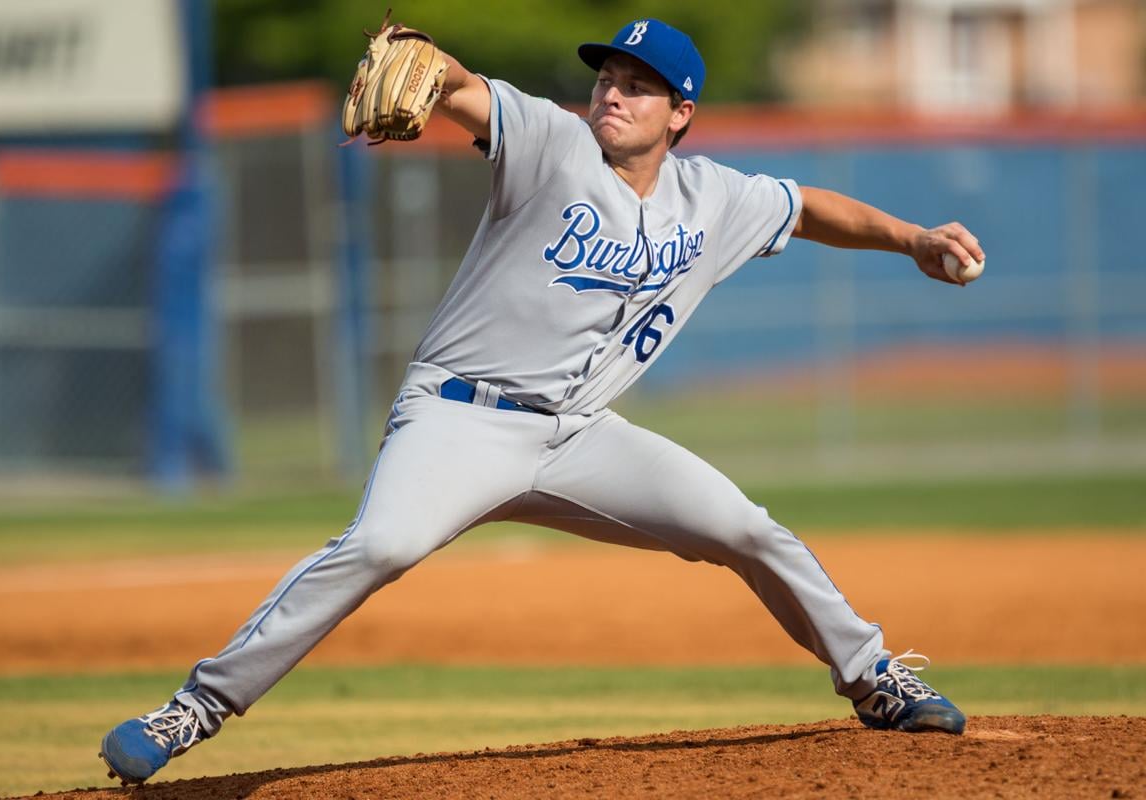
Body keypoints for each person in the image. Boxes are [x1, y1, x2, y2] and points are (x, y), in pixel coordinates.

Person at [100, 18, 984, 785]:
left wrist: (912, 239)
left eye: (641, 88)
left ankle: (874, 678)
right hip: (458, 418)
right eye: (608, 77)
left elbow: (805, 208)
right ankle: (194, 709)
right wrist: (425, 61)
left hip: (580, 437)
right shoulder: (552, 143)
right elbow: (463, 90)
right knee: (382, 543)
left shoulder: (711, 199)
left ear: (681, 114)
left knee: (747, 529)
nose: (615, 94)